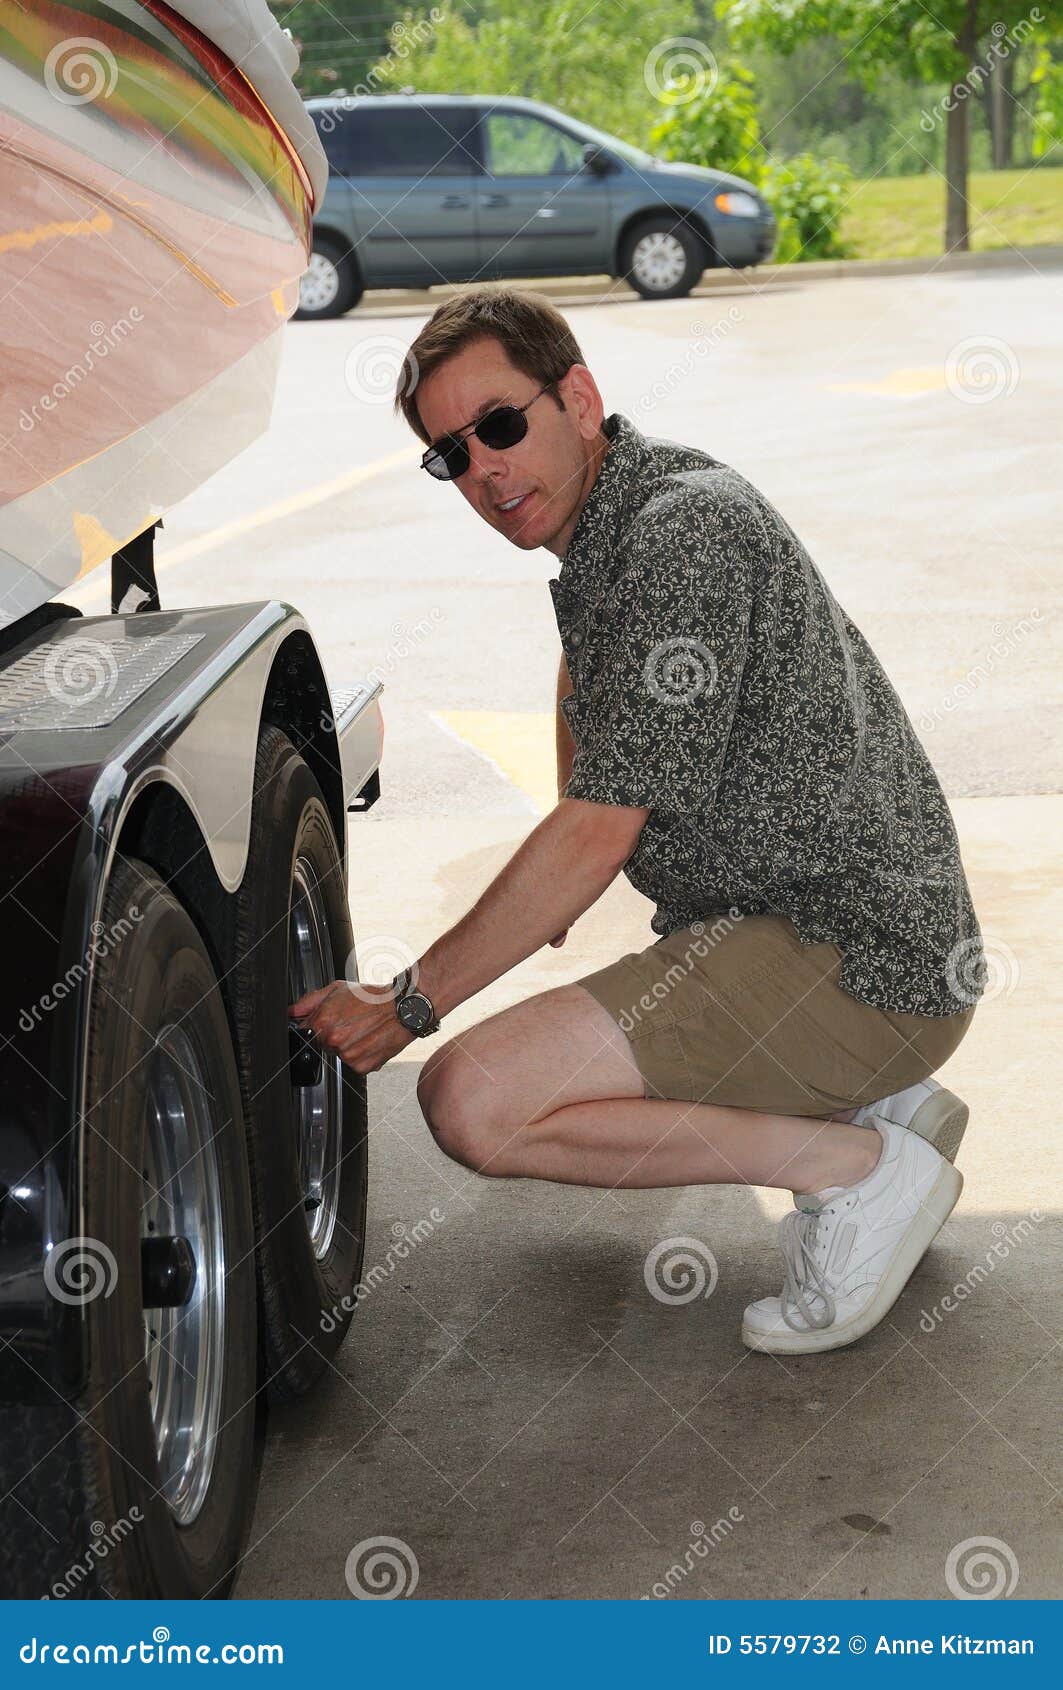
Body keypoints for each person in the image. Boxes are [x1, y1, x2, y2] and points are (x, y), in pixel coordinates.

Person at [290, 286, 985, 1355]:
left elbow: (600, 827)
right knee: (533, 1052)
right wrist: (574, 815)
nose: (480, 469)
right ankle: (875, 1104)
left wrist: (411, 1001)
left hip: (856, 958)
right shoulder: (630, 507)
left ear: (577, 395)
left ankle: (855, 1168)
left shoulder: (682, 534)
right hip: (824, 929)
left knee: (473, 1099)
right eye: (449, 455)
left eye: (499, 426)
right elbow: (589, 668)